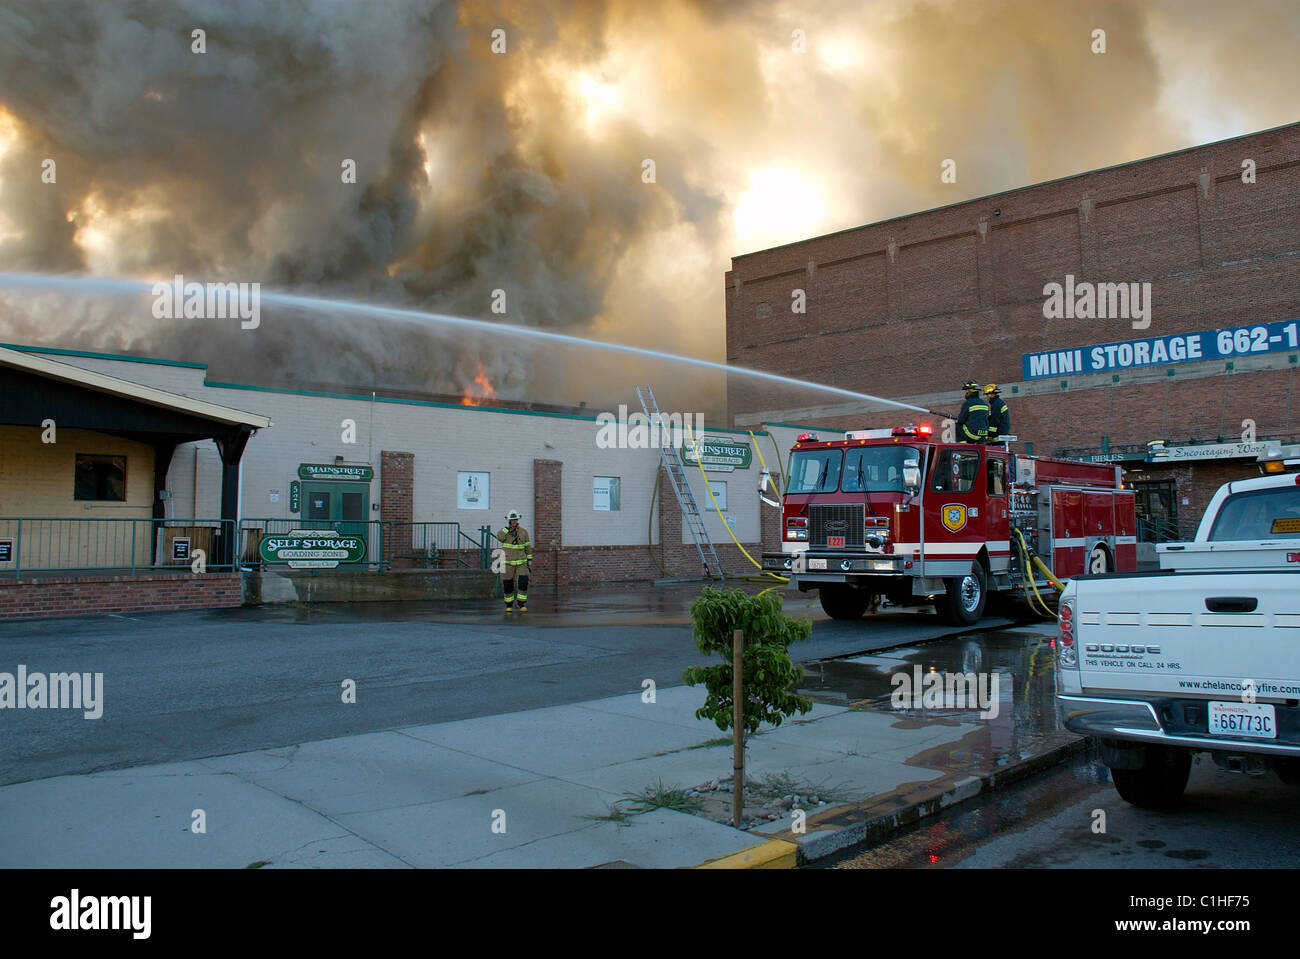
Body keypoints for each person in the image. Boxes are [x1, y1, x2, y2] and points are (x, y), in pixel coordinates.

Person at [493, 510, 533, 612]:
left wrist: (529, 559)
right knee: (508, 584)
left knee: (523, 582)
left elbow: (527, 546)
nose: (514, 521)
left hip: (521, 562)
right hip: (507, 562)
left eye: (515, 519)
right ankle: (509, 605)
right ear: (509, 521)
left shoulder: (523, 532)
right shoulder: (505, 532)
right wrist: (507, 530)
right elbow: (499, 537)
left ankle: (521, 603)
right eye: (512, 520)